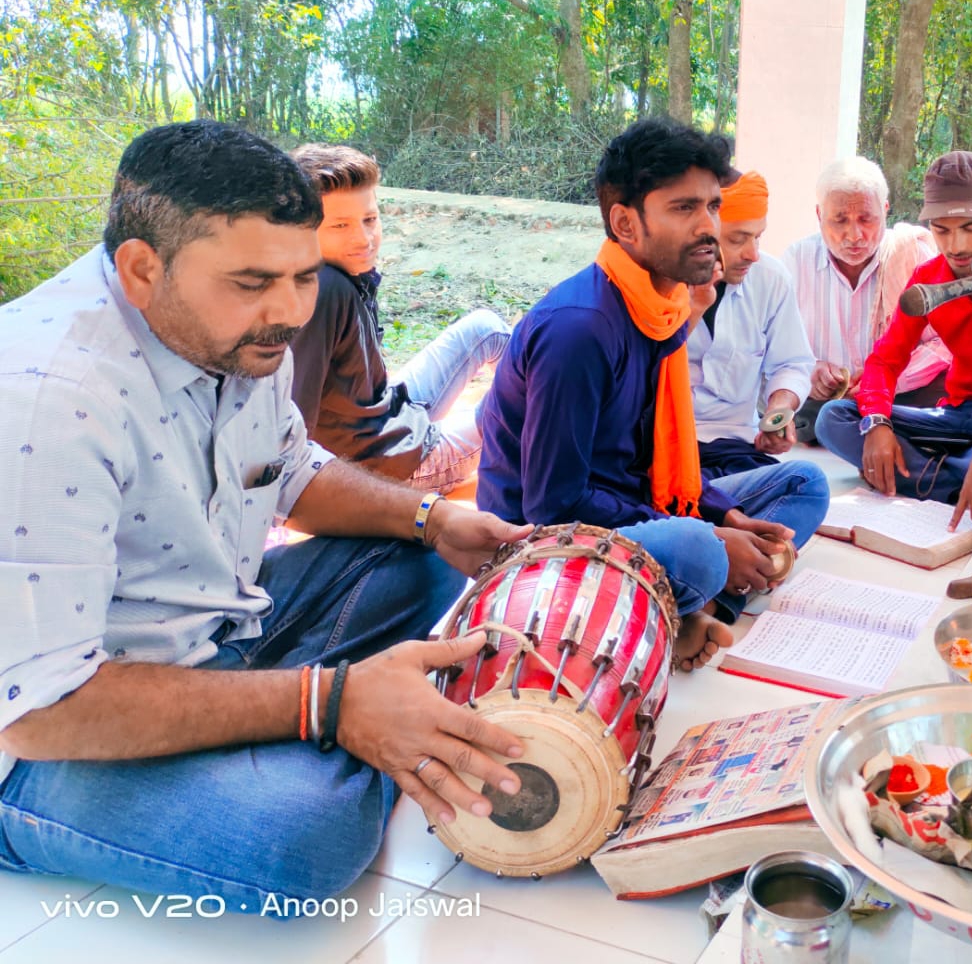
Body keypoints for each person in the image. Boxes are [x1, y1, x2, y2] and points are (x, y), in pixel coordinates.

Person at [0, 121, 534, 913]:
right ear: (142, 269)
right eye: (252, 283)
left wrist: (430, 518)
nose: (287, 313)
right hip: (52, 736)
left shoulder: (243, 333)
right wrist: (328, 702)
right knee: (305, 842)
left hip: (224, 633)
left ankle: (340, 721)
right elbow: (44, 710)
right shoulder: (47, 400)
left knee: (426, 557)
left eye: (304, 276)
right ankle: (355, 726)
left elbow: (288, 470)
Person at [474, 120, 831, 671]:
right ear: (625, 223)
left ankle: (690, 607)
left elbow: (653, 464)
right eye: (684, 208)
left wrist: (726, 513)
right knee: (698, 551)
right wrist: (710, 533)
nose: (708, 227)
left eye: (712, 206)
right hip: (542, 548)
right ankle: (689, 603)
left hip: (631, 502)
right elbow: (553, 506)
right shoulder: (581, 330)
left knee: (804, 484)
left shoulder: (660, 309)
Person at [814, 151, 972, 528]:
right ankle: (969, 482)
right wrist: (876, 423)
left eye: (970, 227)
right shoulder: (928, 277)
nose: (956, 246)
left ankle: (930, 477)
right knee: (834, 418)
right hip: (956, 416)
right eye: (942, 229)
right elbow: (884, 362)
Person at [288, 144, 509, 491]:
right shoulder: (325, 290)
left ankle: (519, 439)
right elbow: (292, 423)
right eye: (340, 225)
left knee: (487, 328)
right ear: (302, 228)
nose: (363, 238)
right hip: (398, 468)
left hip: (390, 415)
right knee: (524, 406)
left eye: (370, 219)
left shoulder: (343, 273)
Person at [781, 156, 951, 443]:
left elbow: (945, 343)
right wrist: (809, 370)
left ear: (885, 211)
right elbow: (773, 350)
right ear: (819, 215)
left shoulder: (913, 259)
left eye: (866, 219)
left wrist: (883, 380)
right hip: (823, 408)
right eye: (840, 220)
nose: (854, 235)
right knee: (814, 416)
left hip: (902, 400)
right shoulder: (796, 262)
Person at [688, 170, 818, 480]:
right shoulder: (659, 285)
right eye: (737, 239)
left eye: (758, 237)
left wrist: (779, 408)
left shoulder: (771, 280)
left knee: (805, 482)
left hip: (737, 448)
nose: (753, 254)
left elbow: (792, 363)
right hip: (664, 450)